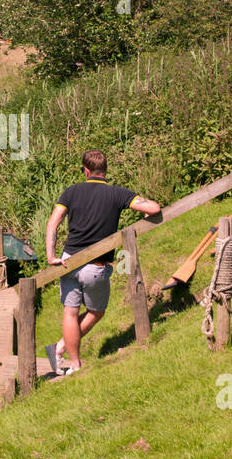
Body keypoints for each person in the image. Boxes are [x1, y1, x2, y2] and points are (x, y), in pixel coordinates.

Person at [44, 150, 162, 375]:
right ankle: (61, 349)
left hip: (68, 262)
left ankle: (72, 362)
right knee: (96, 312)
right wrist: (147, 216)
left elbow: (52, 224)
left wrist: (51, 257)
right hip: (95, 267)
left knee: (70, 313)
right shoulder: (117, 194)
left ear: (86, 171)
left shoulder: (71, 192)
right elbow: (153, 208)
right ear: (105, 171)